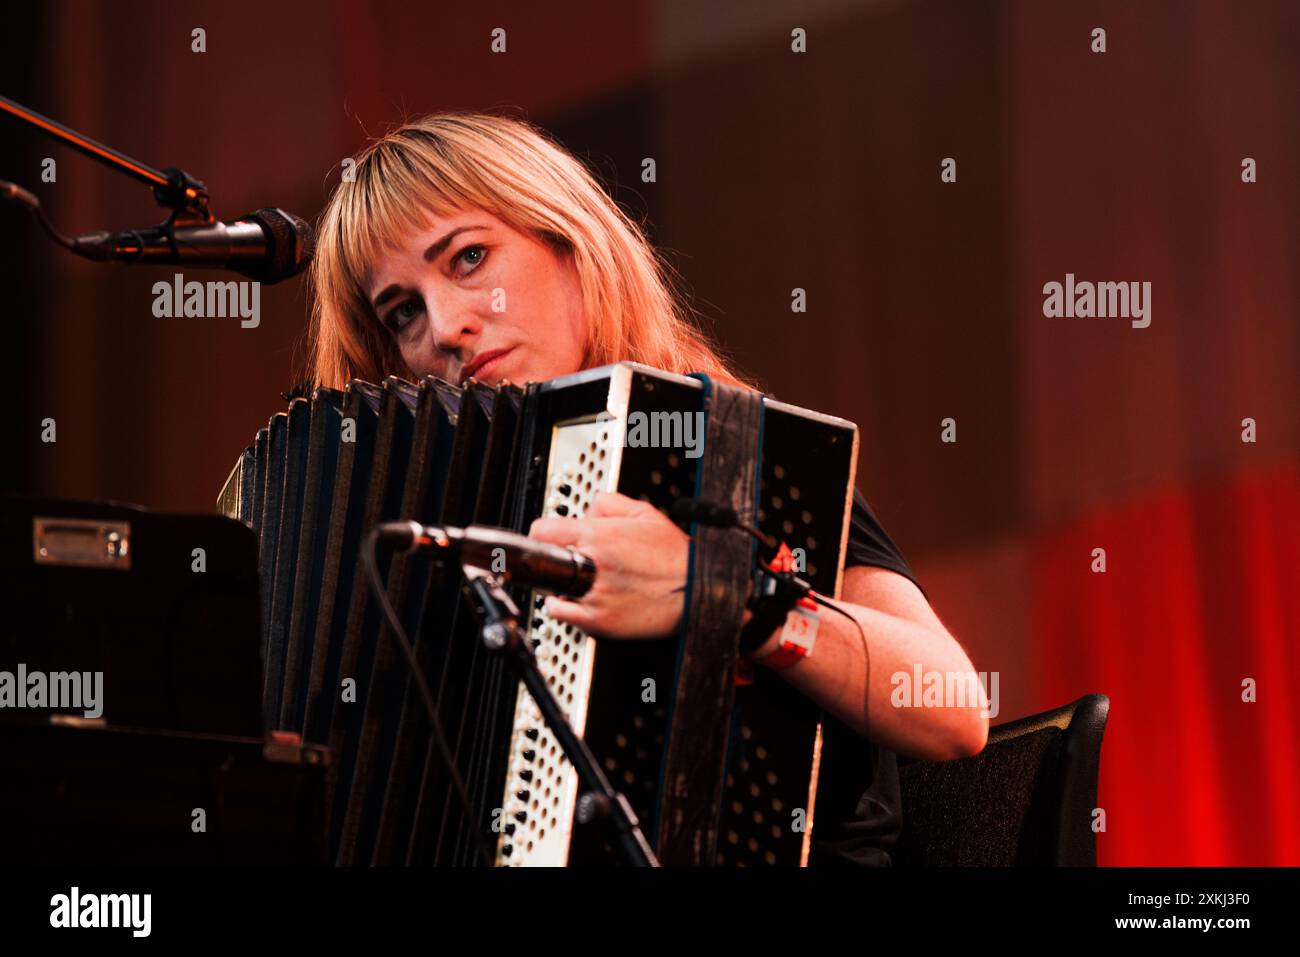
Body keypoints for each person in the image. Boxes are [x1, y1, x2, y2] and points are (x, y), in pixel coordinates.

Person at [306, 111, 989, 865]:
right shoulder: (428, 539)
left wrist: (723, 594)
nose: (445, 325)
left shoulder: (730, 449)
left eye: (469, 257)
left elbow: (954, 709)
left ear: (570, 244)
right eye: (402, 311)